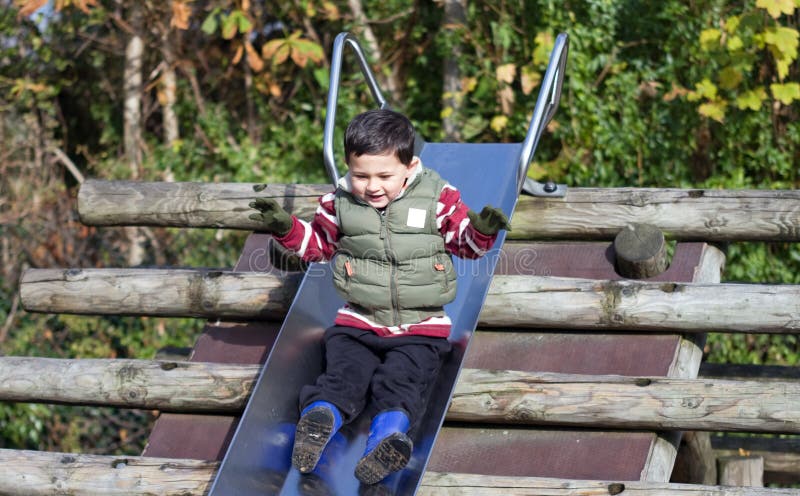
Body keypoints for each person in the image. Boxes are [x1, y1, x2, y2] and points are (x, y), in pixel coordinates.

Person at [248, 108, 510, 485]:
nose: (372, 186)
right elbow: (317, 247)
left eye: (384, 176)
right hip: (358, 321)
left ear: (410, 166)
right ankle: (319, 420)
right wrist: (285, 227)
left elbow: (466, 245)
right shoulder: (338, 203)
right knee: (341, 378)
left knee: (403, 385)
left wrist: (482, 230)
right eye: (361, 175)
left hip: (421, 327)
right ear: (349, 168)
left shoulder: (437, 196)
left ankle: (384, 443)